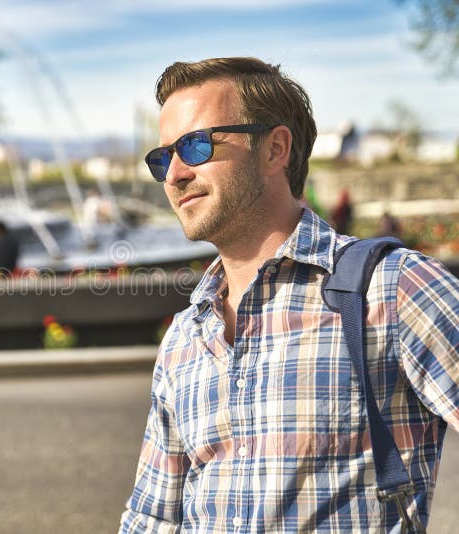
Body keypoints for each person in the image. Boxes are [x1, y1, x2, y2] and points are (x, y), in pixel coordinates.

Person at [120, 57, 459, 532]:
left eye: (196, 146)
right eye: (162, 158)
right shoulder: (185, 337)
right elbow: (152, 518)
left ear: (275, 149)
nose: (173, 174)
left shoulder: (392, 288)